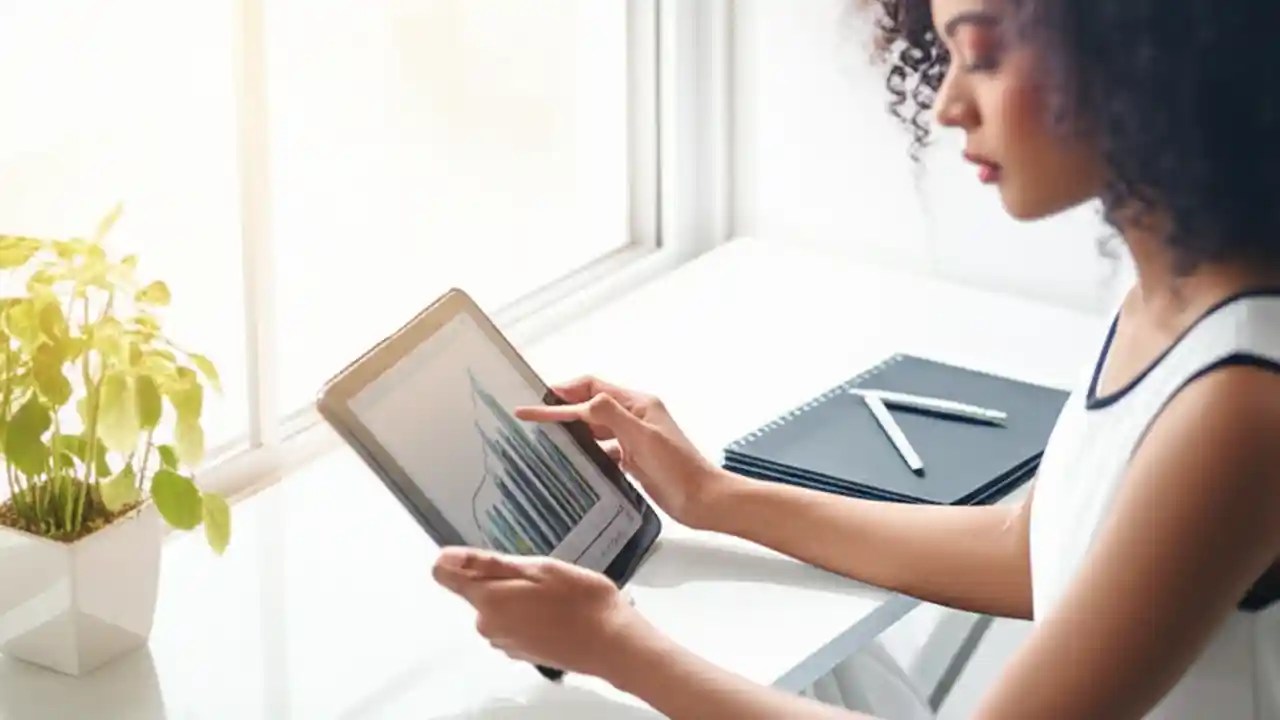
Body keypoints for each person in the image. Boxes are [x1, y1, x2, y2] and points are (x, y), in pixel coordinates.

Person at [432, 0, 1280, 716]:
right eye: (943, 54)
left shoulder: (1238, 404)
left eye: (982, 58)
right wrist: (711, 495)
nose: (947, 104)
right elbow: (1036, 549)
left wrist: (617, 648)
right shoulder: (1169, 294)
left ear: (1138, 62)